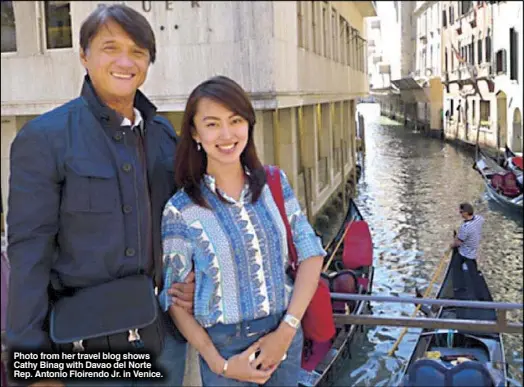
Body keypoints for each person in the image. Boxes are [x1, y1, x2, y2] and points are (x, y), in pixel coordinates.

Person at [6, 4, 194, 387]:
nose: (125, 61)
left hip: (163, 338)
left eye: (137, 51)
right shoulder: (44, 138)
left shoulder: (161, 135)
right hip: (84, 349)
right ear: (84, 55)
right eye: (110, 47)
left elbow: (183, 225)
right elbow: (28, 255)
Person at [160, 75, 326, 386]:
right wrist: (219, 364)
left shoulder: (275, 184)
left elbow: (311, 254)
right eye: (212, 124)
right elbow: (175, 301)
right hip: (224, 347)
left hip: (284, 335)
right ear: (195, 133)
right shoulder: (180, 209)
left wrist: (286, 331)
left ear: (248, 124)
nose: (226, 134)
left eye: (235, 120)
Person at [450, 202, 486, 299]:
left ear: (466, 213)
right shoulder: (479, 219)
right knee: (473, 272)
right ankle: (479, 295)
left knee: (456, 266)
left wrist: (451, 246)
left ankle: (460, 288)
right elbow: (481, 220)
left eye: (461, 212)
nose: (460, 213)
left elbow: (458, 243)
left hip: (465, 252)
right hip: (473, 250)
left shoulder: (465, 227)